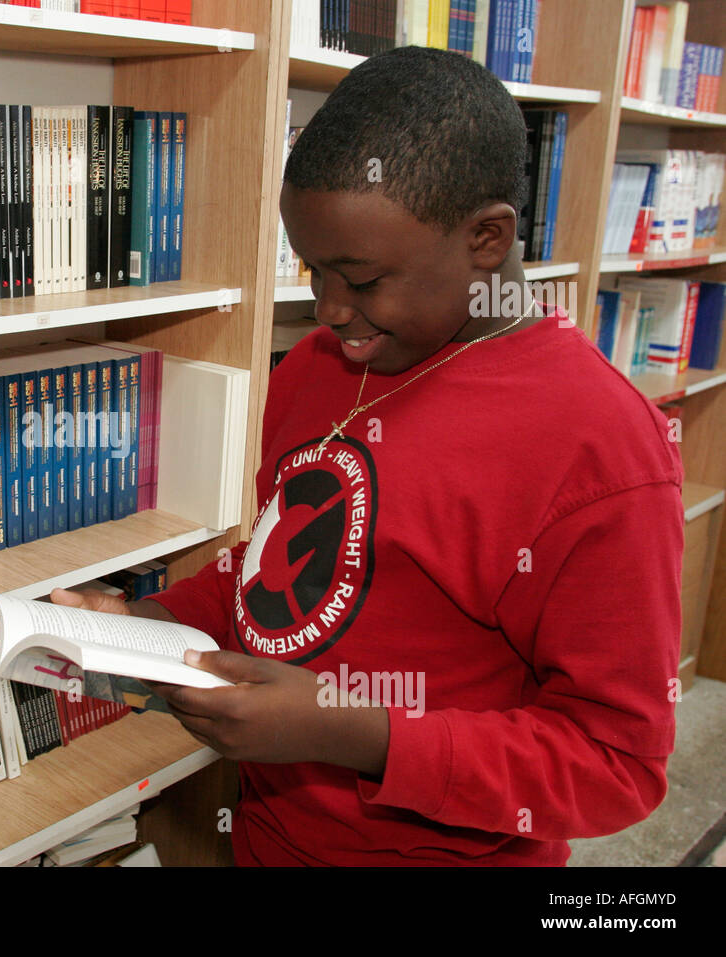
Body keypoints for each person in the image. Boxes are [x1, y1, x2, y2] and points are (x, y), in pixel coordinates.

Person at [51, 45, 684, 866]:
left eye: (362, 277)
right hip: (267, 840)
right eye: (313, 269)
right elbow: (285, 562)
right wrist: (147, 626)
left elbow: (615, 766)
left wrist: (356, 731)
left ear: (486, 238)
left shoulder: (599, 448)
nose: (328, 308)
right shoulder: (317, 367)